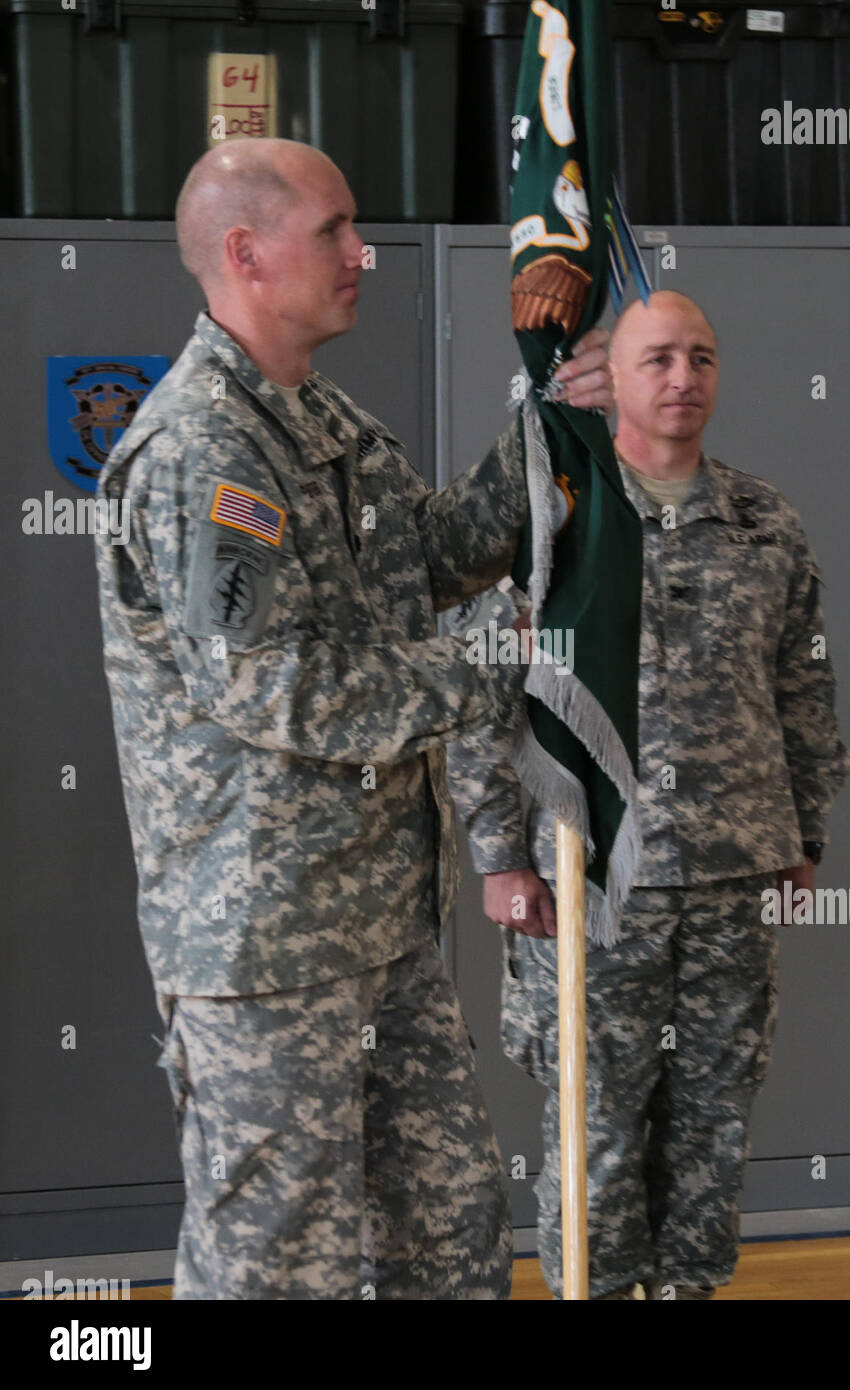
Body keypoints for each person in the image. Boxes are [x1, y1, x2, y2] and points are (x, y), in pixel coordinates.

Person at [92, 136, 612, 1300]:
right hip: (265, 950)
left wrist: (553, 424)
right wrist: (496, 683)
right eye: (332, 230)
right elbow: (274, 684)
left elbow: (430, 555)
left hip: (384, 927)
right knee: (279, 1266)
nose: (359, 251)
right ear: (245, 252)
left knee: (448, 1235)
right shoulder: (199, 451)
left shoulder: (323, 421)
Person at [447, 290, 850, 1300]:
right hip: (590, 871)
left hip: (732, 865)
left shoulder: (763, 521)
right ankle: (594, 1291)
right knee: (594, 1112)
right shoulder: (556, 520)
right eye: (658, 358)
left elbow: (801, 686)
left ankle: (685, 1291)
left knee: (714, 1103)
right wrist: (499, 855)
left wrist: (805, 830)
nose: (682, 379)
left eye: (700, 358)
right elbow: (484, 696)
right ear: (608, 378)